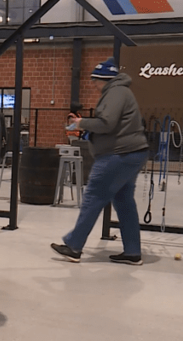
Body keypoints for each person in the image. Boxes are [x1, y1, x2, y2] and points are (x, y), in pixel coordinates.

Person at [51, 57, 149, 265]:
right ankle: (132, 252)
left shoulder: (115, 91)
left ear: (103, 79)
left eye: (95, 81)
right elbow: (113, 125)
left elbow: (107, 122)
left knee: (93, 196)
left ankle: (74, 246)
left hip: (118, 155)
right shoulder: (121, 92)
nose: (94, 86)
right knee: (124, 202)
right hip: (132, 153)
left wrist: (81, 122)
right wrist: (88, 131)